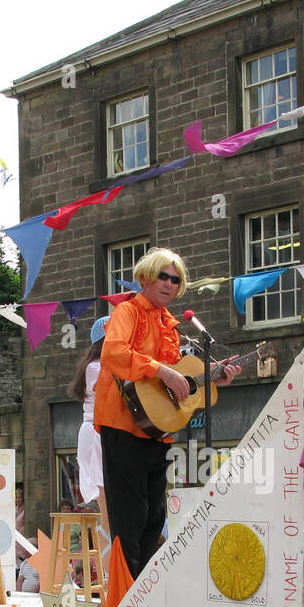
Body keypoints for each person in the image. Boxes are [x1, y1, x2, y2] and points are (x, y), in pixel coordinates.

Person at [94, 247, 239, 578]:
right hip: (122, 424)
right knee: (130, 520)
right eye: (164, 276)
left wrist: (216, 377)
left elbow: (179, 381)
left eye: (176, 280)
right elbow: (114, 354)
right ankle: (122, 603)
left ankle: (142, 600)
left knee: (153, 519)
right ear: (145, 276)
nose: (171, 284)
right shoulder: (127, 312)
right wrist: (163, 372)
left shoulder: (172, 326)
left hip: (157, 432)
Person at [70, 315, 110, 552]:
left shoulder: (101, 366)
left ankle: (111, 576)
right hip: (97, 434)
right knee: (107, 510)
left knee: (111, 509)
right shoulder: (97, 368)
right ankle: (108, 578)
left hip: (100, 434)